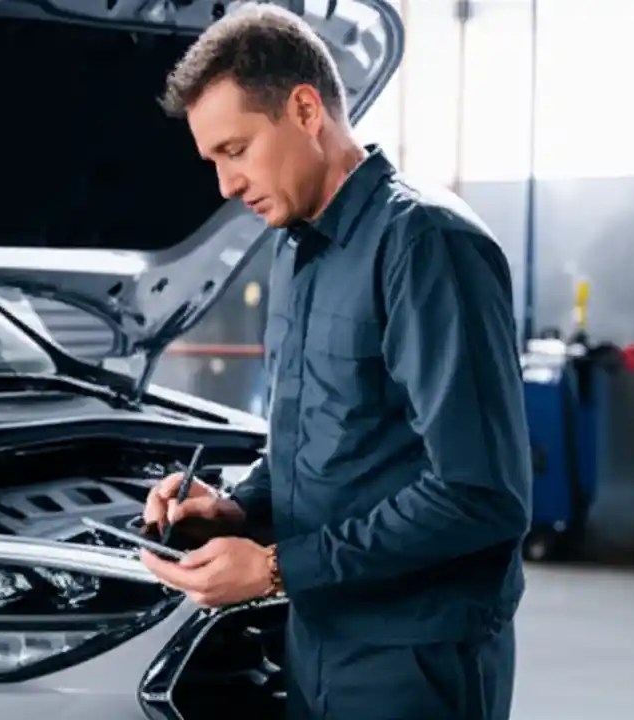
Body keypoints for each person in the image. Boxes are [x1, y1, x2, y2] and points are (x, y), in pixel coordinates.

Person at [139, 4, 533, 719]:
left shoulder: (425, 247)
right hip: (318, 640)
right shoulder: (299, 250)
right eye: (213, 161)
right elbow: (321, 440)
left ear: (305, 108)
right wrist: (232, 511)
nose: (225, 185)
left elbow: (483, 494)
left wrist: (272, 569)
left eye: (236, 149)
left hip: (416, 660)